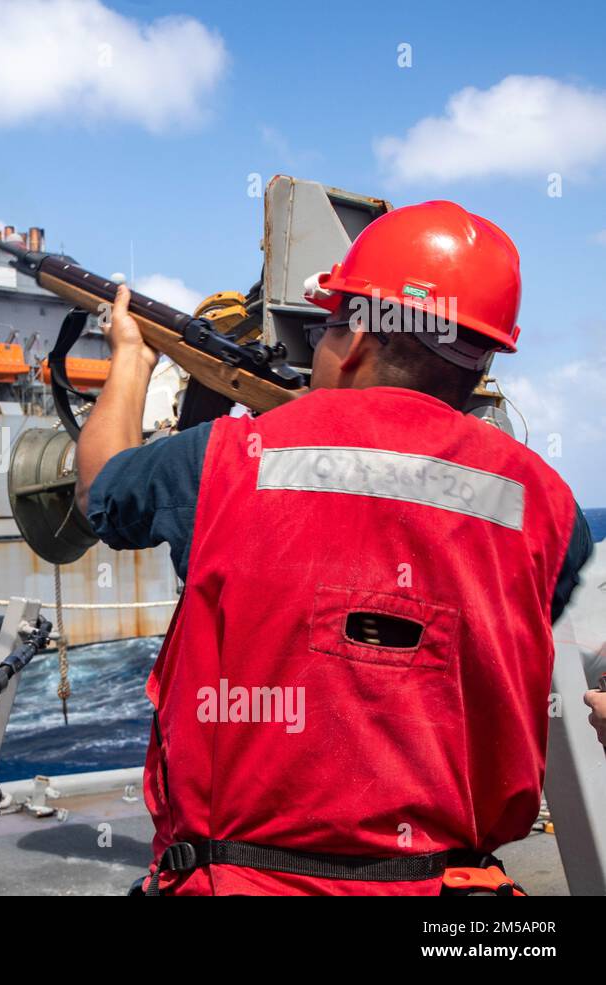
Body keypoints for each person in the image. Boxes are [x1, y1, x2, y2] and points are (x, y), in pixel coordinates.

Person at [77, 201, 594, 895]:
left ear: (351, 342)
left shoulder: (222, 460)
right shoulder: (551, 506)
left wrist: (131, 361)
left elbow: (101, 492)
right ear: (478, 364)